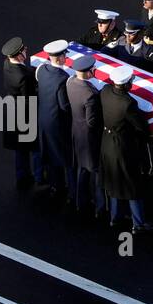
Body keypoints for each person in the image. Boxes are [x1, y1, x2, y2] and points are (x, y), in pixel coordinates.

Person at [99, 64, 153, 232]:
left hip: (107, 144)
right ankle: (138, 223)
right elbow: (141, 127)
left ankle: (115, 218)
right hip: (123, 149)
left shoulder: (105, 91)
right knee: (132, 184)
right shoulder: (128, 103)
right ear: (126, 85)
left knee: (113, 182)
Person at [66, 54, 106, 218]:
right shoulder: (91, 94)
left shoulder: (70, 82)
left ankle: (80, 202)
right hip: (90, 139)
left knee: (82, 169)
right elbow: (92, 122)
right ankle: (100, 207)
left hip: (76, 132)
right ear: (89, 72)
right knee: (96, 173)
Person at [35, 39, 74, 203]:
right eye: (65, 54)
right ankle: (67, 190)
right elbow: (65, 106)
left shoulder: (42, 70)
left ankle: (54, 184)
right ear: (60, 57)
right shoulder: (63, 78)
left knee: (50, 154)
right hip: (58, 124)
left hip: (43, 119)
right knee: (65, 157)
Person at [1, 36, 40, 191]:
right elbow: (30, 98)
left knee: (20, 149)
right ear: (18, 55)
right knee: (36, 147)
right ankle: (38, 175)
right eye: (23, 49)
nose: (26, 50)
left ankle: (22, 175)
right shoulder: (24, 76)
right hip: (25, 115)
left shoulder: (7, 64)